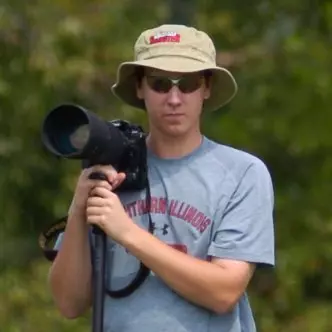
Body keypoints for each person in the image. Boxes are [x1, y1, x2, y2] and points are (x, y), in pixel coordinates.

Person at [48, 24, 275, 332]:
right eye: (160, 83)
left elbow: (224, 292)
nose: (174, 98)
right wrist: (78, 211)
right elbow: (69, 303)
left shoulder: (242, 173)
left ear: (206, 88)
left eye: (188, 83)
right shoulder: (113, 170)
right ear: (140, 87)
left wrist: (127, 232)